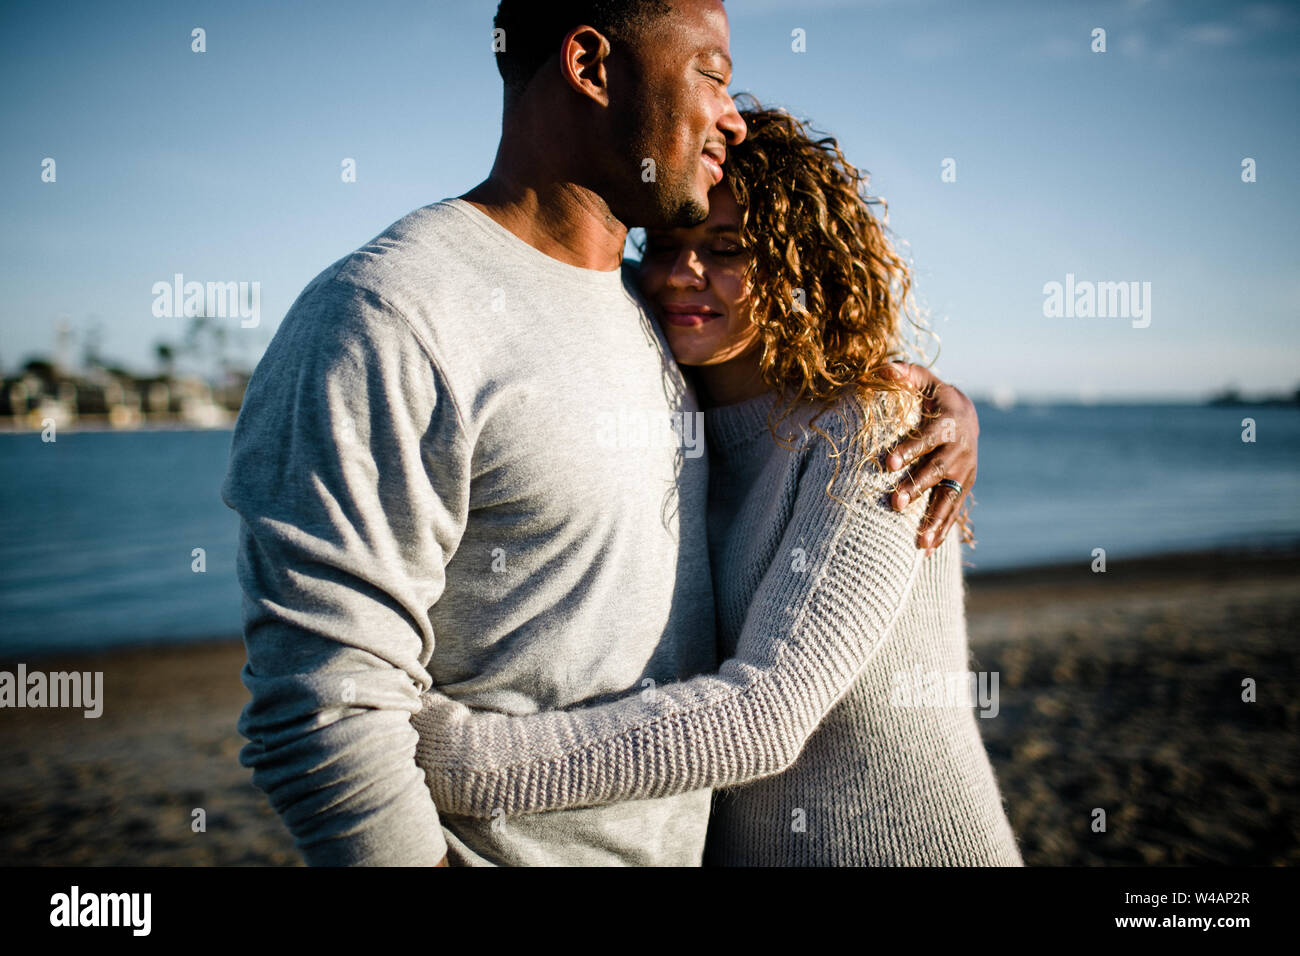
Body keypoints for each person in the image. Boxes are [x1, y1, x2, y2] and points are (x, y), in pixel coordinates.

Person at [222, 0, 979, 867]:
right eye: (712, 74)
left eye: (724, 250)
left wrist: (937, 403)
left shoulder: (655, 312)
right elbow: (320, 710)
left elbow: (768, 688)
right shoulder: (389, 316)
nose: (730, 115)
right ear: (590, 66)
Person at [412, 105, 1021, 866]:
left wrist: (450, 756)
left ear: (802, 264)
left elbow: (766, 715)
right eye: (665, 244)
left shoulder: (875, 427)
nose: (679, 275)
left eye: (726, 249)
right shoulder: (673, 394)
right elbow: (551, 287)